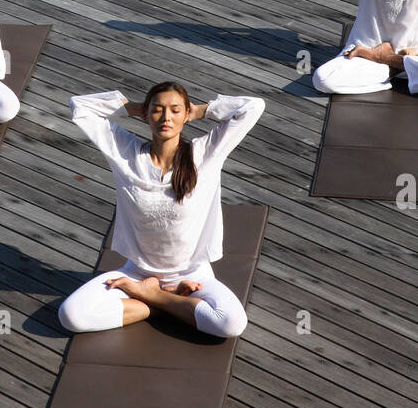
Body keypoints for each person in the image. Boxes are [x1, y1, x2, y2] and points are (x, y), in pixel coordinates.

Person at [58, 83, 265, 338]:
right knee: (71, 316)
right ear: (147, 115)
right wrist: (133, 109)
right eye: (157, 110)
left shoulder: (206, 154)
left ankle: (153, 297)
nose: (166, 118)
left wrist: (199, 110)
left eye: (175, 110)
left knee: (231, 324)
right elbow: (80, 106)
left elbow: (254, 106)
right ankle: (169, 303)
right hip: (137, 272)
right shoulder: (125, 152)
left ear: (184, 114)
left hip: (192, 274)